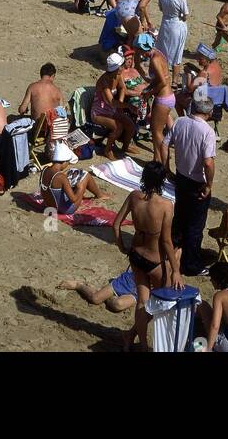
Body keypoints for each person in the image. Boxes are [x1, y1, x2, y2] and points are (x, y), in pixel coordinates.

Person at [113, 161, 181, 351]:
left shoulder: (134, 197)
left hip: (135, 255)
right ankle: (136, 337)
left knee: (143, 303)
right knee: (162, 303)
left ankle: (140, 343)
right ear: (162, 180)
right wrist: (176, 270)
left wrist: (122, 246)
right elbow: (167, 242)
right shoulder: (166, 205)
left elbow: (116, 225)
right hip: (154, 260)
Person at [164, 87, 216, 278]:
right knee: (195, 225)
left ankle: (174, 252)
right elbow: (208, 162)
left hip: (181, 177)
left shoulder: (180, 122)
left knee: (180, 218)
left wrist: (166, 168)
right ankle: (191, 265)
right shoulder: (207, 132)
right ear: (209, 113)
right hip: (197, 182)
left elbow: (164, 144)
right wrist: (209, 185)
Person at [91, 54, 137, 158]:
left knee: (130, 125)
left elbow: (122, 89)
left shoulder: (118, 75)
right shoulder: (104, 82)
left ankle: (125, 147)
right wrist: (126, 106)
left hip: (111, 109)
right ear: (116, 68)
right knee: (118, 127)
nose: (123, 66)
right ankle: (107, 150)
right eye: (121, 65)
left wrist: (120, 103)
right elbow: (111, 101)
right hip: (99, 112)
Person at [38, 145, 101, 212]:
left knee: (70, 175)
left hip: (48, 205)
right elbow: (73, 199)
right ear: (64, 161)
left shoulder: (44, 169)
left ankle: (99, 194)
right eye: (68, 163)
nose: (68, 165)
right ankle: (99, 195)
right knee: (86, 176)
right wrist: (79, 189)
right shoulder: (61, 177)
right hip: (64, 210)